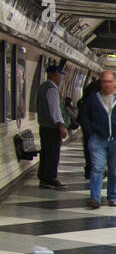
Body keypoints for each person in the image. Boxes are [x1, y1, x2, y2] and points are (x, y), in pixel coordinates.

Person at [79, 70, 116, 209]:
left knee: (114, 170)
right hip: (97, 139)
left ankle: (112, 197)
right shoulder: (93, 98)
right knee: (97, 169)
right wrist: (90, 132)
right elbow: (84, 115)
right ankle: (95, 198)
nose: (107, 84)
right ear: (100, 82)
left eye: (109, 81)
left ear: (114, 82)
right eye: (104, 81)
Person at [35, 62, 70, 190]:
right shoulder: (51, 89)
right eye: (59, 74)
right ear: (54, 74)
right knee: (52, 154)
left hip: (45, 127)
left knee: (46, 153)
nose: (60, 77)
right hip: (51, 128)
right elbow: (55, 110)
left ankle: (44, 178)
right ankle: (50, 178)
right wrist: (61, 125)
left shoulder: (43, 87)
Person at [77, 74, 99, 179]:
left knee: (88, 149)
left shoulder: (85, 100)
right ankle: (94, 169)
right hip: (94, 130)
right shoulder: (95, 100)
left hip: (88, 131)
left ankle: (89, 169)